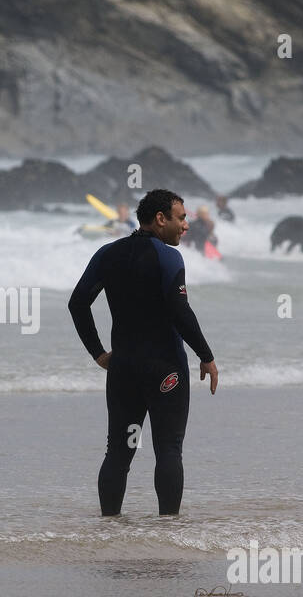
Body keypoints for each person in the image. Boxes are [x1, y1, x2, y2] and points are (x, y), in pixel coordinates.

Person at [68, 188, 219, 517]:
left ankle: (109, 529)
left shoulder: (106, 254)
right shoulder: (168, 257)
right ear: (160, 219)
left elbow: (78, 303)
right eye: (181, 218)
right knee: (168, 450)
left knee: (118, 454)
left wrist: (98, 353)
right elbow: (180, 312)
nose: (186, 226)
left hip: (123, 369)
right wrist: (205, 356)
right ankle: (168, 532)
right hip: (165, 369)